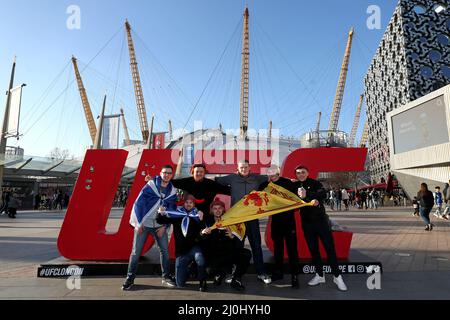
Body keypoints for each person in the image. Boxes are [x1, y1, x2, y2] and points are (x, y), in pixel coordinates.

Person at [292, 165, 347, 291]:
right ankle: (320, 275)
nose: (301, 174)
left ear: (308, 173)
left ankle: (337, 276)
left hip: (321, 221)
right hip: (306, 223)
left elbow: (323, 194)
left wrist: (309, 195)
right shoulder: (294, 186)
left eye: (303, 172)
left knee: (329, 249)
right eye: (298, 173)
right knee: (314, 250)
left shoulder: (315, 183)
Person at [215, 159, 271, 284]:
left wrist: (290, 181)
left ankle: (261, 272)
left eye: (246, 167)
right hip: (237, 219)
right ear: (237, 168)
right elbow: (217, 181)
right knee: (237, 247)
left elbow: (272, 178)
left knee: (256, 245)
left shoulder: (257, 178)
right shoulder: (231, 178)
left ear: (249, 168)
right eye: (241, 167)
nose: (244, 169)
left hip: (251, 218)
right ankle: (234, 273)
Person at [122, 165, 177, 291]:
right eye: (165, 172)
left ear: (172, 175)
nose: (167, 175)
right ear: (160, 173)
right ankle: (129, 279)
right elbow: (139, 203)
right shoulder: (151, 185)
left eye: (169, 173)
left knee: (164, 251)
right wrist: (138, 223)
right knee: (136, 252)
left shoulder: (172, 190)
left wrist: (165, 226)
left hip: (159, 226)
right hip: (144, 224)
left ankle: (166, 276)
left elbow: (172, 210)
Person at [258, 165, 300, 288]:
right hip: (275, 221)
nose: (271, 176)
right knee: (278, 249)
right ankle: (278, 272)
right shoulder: (266, 185)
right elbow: (258, 193)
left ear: (278, 173)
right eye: (269, 174)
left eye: (273, 174)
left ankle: (295, 276)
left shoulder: (288, 182)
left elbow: (297, 196)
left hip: (289, 221)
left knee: (292, 250)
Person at [150, 164, 231, 226]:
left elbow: (228, 190)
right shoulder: (187, 181)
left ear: (204, 173)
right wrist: (154, 180)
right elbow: (170, 182)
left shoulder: (212, 184)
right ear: (192, 172)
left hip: (205, 217)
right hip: (188, 216)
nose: (199, 173)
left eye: (201, 172)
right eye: (197, 172)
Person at [157, 194, 207, 291]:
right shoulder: (177, 215)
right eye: (187, 202)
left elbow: (203, 231)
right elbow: (160, 220)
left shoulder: (197, 215)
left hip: (193, 248)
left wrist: (201, 220)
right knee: (180, 283)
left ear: (194, 204)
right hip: (181, 251)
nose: (188, 204)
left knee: (199, 258)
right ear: (184, 203)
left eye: (191, 203)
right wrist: (161, 212)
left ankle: (202, 281)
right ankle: (192, 270)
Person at [200, 198, 251, 291]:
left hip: (227, 253)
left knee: (246, 254)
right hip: (214, 255)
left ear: (223, 209)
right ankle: (219, 274)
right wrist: (204, 234)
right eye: (215, 208)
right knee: (209, 270)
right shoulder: (207, 222)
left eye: (220, 208)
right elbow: (201, 237)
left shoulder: (229, 221)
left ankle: (236, 279)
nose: (218, 210)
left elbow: (237, 239)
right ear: (211, 210)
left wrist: (232, 236)